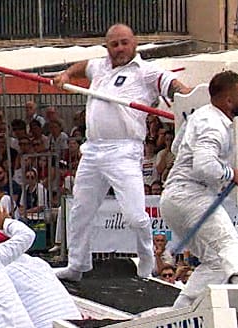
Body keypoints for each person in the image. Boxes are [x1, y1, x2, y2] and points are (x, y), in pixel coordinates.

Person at [51, 24, 189, 281]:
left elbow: (171, 84)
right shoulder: (99, 66)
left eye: (125, 42)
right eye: (114, 44)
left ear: (134, 43)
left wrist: (189, 96)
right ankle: (77, 265)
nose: (120, 48)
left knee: (135, 216)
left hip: (124, 150)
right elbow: (83, 66)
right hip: (92, 149)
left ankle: (147, 263)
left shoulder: (145, 71)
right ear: (107, 47)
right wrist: (67, 74)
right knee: (80, 211)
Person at [161, 71, 238, 309]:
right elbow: (204, 166)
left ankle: (181, 310)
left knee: (215, 261)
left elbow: (176, 147)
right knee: (229, 244)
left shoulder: (199, 115)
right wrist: (232, 174)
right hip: (193, 195)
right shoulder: (214, 126)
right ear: (228, 100)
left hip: (174, 198)